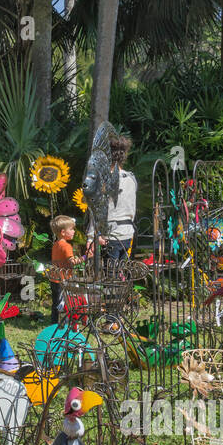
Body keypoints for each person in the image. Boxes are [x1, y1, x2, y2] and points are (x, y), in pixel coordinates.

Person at [86, 133, 138, 265]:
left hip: (110, 235)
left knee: (110, 278)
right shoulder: (131, 178)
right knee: (123, 275)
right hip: (128, 233)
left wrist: (92, 237)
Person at [50, 215, 79, 324]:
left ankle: (53, 323)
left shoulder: (55, 245)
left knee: (56, 303)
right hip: (64, 279)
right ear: (63, 232)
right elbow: (72, 262)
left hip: (54, 278)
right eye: (71, 229)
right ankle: (65, 323)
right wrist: (85, 257)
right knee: (66, 303)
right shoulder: (66, 246)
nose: (74, 231)